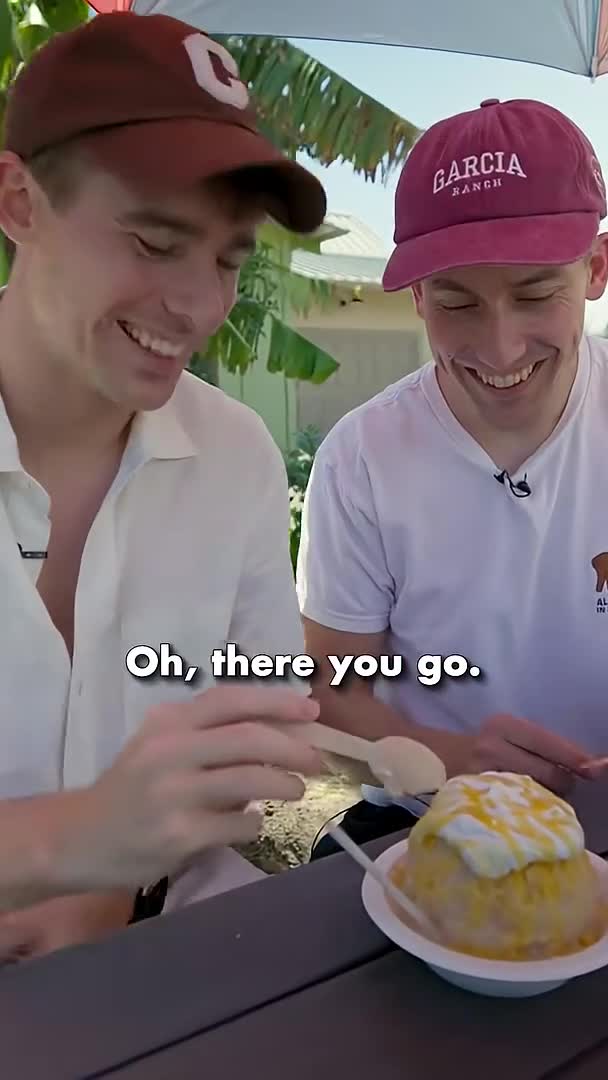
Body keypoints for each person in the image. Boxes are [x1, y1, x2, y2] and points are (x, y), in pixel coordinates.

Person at [0, 12, 328, 959]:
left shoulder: (235, 456)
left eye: (230, 259)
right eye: (153, 242)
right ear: (19, 202)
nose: (199, 307)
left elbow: (260, 739)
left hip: (165, 970)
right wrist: (71, 847)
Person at [296, 97, 608, 858]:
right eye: (456, 302)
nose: (499, 349)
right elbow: (332, 702)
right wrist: (453, 766)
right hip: (427, 818)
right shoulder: (362, 457)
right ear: (415, 297)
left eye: (536, 295)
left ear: (597, 268)